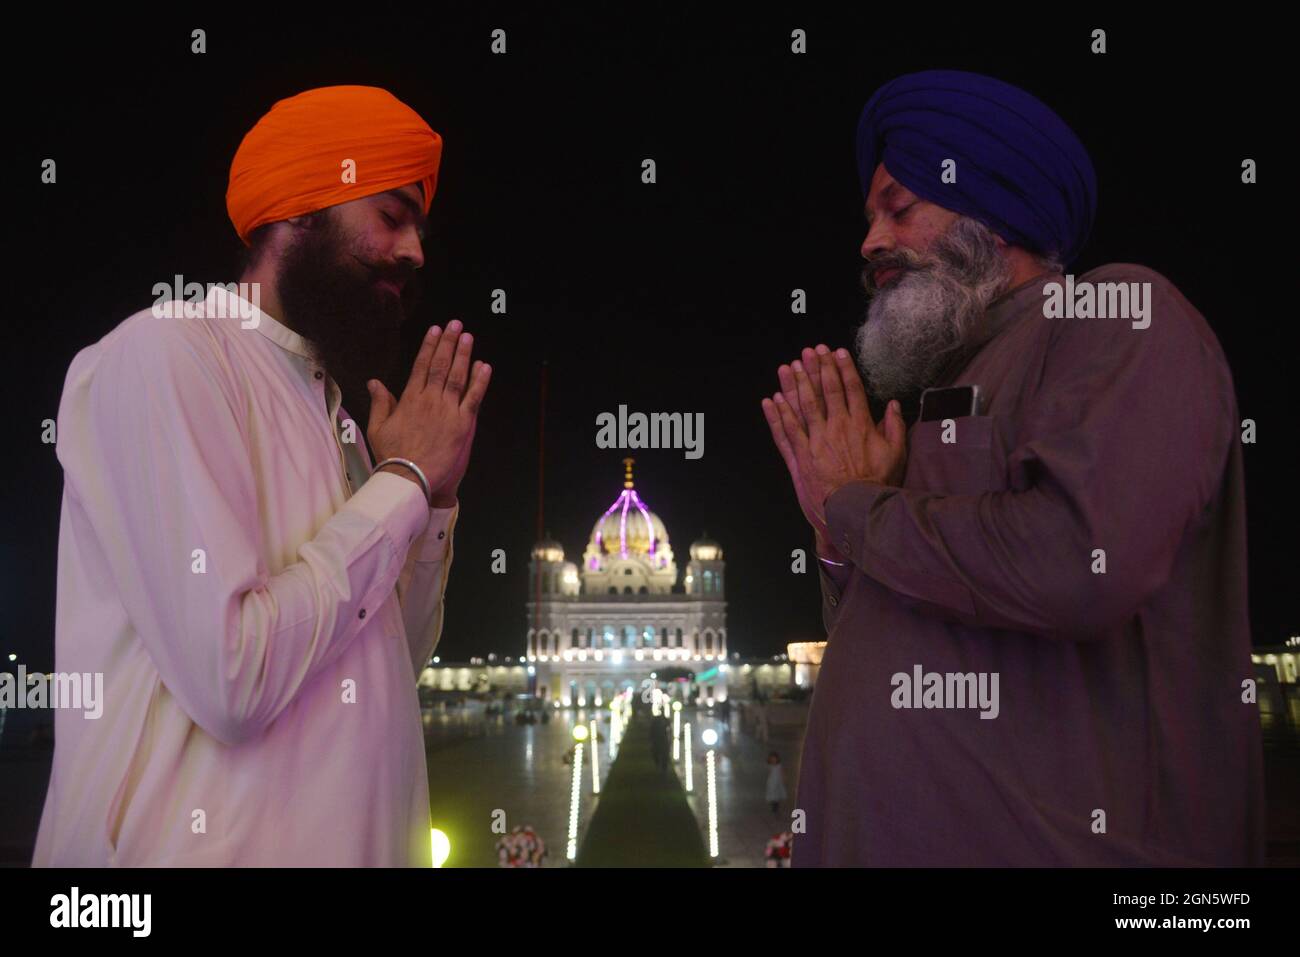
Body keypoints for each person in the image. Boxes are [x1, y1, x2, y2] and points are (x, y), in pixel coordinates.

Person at [761, 70, 1264, 866]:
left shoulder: (1114, 316)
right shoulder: (952, 393)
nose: (869, 244)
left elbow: (1080, 562)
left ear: (994, 211)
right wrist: (835, 535)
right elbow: (910, 632)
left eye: (899, 207)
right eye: (868, 217)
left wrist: (857, 507)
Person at [34, 86, 491, 866]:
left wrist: (428, 501)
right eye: (390, 215)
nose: (416, 251)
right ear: (301, 209)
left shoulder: (338, 420)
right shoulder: (167, 356)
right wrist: (403, 482)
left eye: (419, 225)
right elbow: (232, 675)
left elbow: (389, 661)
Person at [765, 751, 787, 815]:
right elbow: (769, 773)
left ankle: (776, 806)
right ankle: (773, 804)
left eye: (774, 759)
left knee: (776, 794)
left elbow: (782, 772)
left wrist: (784, 778)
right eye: (771, 759)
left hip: (778, 782)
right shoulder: (770, 765)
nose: (773, 760)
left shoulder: (779, 765)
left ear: (777, 759)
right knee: (772, 793)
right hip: (771, 782)